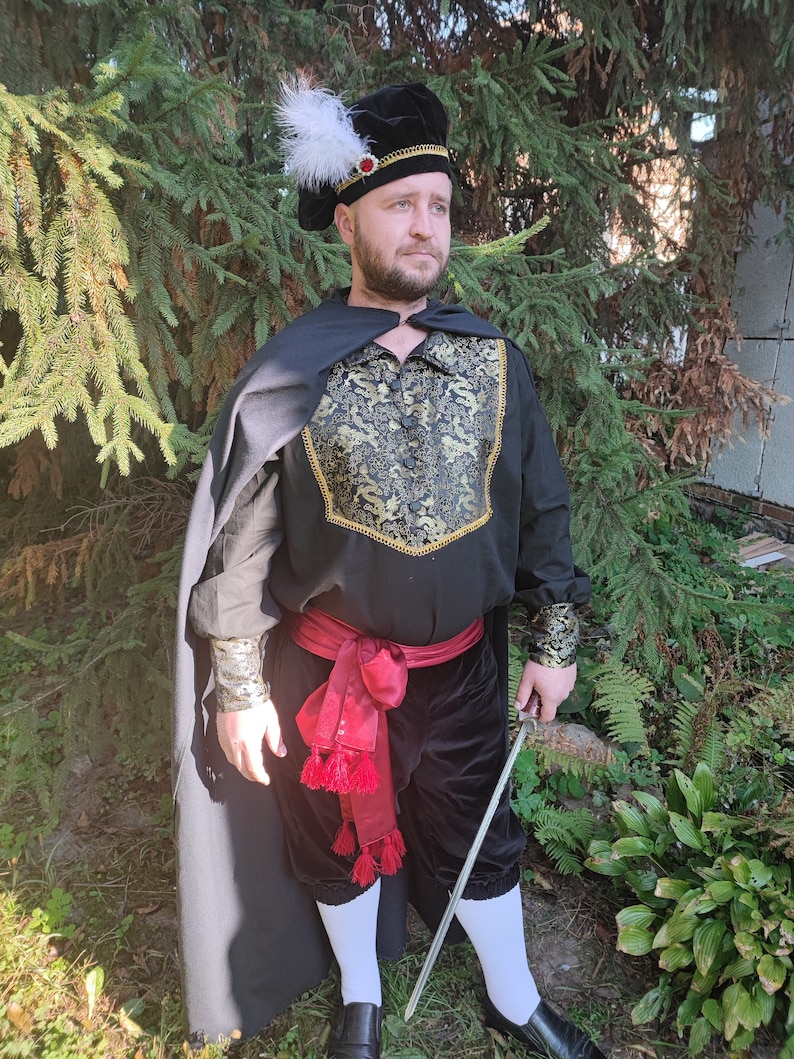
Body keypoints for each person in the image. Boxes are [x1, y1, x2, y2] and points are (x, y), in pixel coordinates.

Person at [172, 80, 605, 1059]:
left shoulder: (495, 361)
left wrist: (555, 643)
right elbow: (239, 542)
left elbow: (540, 509)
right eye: (400, 204)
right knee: (330, 842)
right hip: (325, 678)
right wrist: (238, 687)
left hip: (459, 675)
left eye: (439, 207)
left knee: (479, 839)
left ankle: (514, 997)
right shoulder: (290, 370)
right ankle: (359, 998)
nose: (424, 226)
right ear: (347, 219)